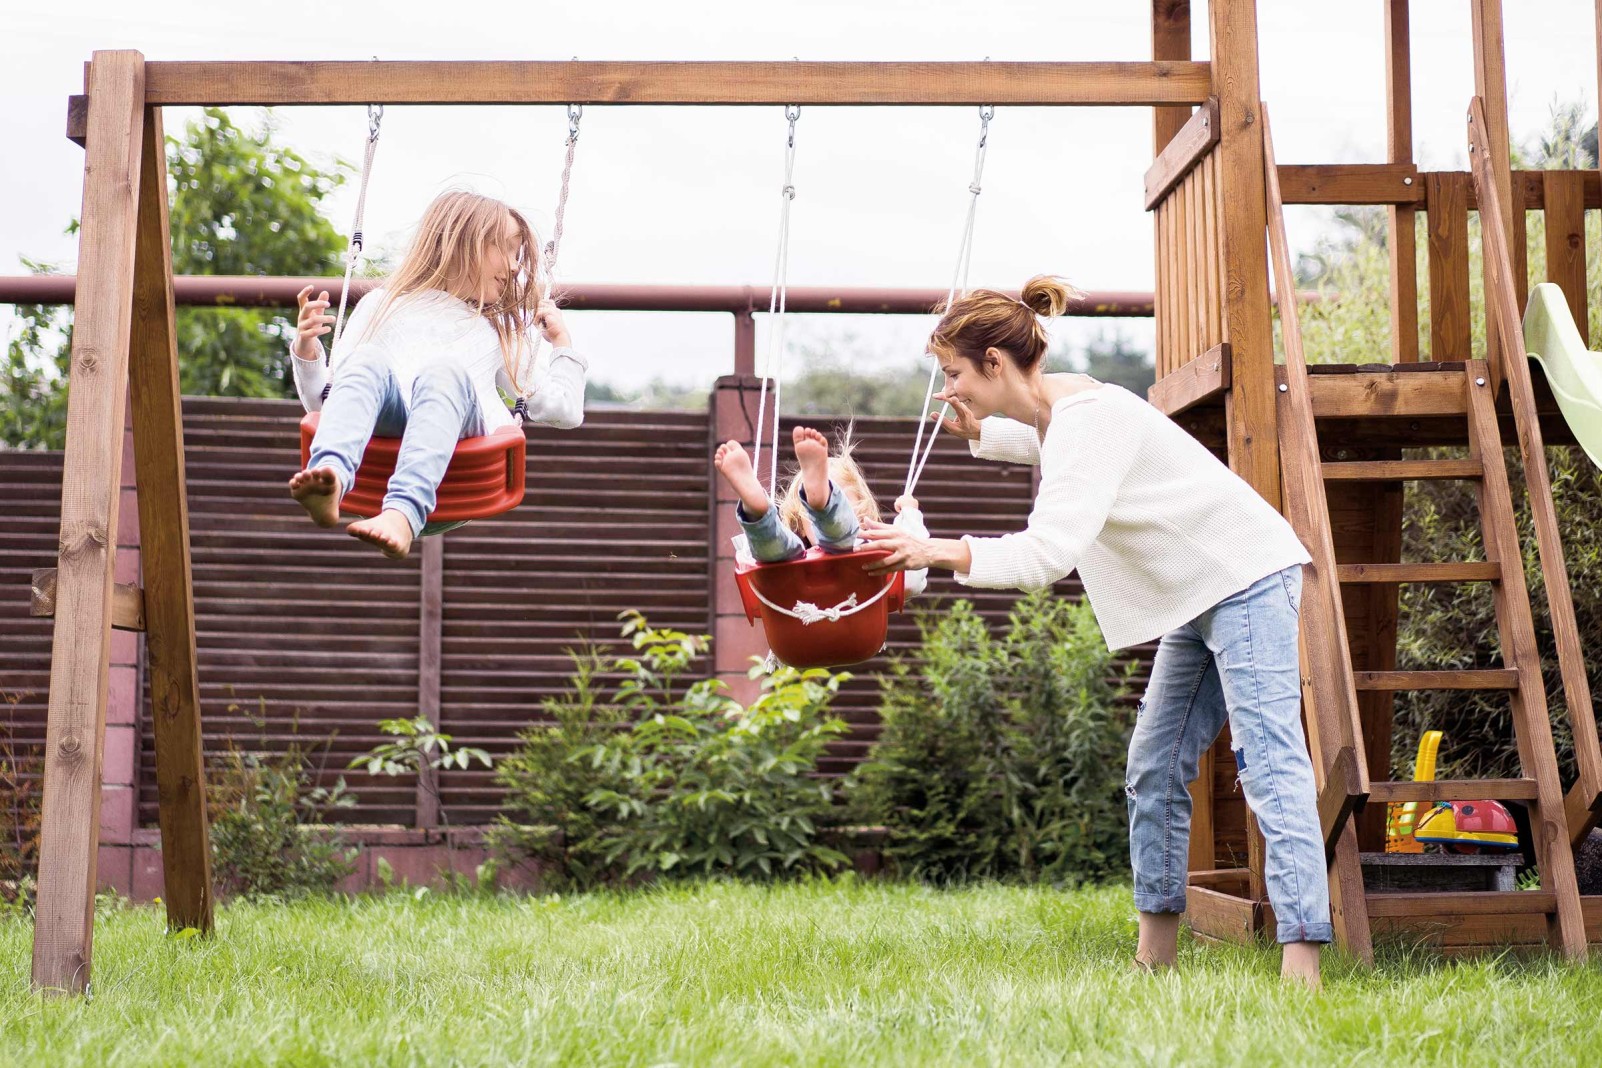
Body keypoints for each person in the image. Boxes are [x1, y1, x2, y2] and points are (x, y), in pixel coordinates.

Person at [860, 275, 1327, 986]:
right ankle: (1155, 961)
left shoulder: (1085, 419)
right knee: (1153, 765)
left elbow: (1048, 553)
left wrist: (939, 550)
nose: (947, 388)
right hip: (1194, 595)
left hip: (1244, 577)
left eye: (953, 374)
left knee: (1268, 764)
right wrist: (983, 435)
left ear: (994, 362)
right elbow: (1048, 440)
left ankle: (1303, 966)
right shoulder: (1059, 405)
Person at [287, 190, 587, 559]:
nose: (514, 267)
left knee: (443, 372)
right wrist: (306, 349)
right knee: (364, 360)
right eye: (507, 250)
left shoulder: (498, 331)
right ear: (465, 244)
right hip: (383, 444)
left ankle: (403, 514)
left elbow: (565, 410)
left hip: (461, 461)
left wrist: (562, 345)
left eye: (518, 256)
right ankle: (330, 477)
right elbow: (330, 402)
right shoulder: (381, 306)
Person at [715, 425, 928, 598]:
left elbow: (913, 558)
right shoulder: (796, 556)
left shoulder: (874, 557)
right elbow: (914, 579)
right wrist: (911, 517)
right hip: (796, 577)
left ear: (862, 518)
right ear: (800, 526)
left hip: (794, 617)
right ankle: (758, 511)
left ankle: (759, 515)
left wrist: (909, 515)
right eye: (813, 513)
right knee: (775, 555)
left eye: (843, 502)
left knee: (775, 550)